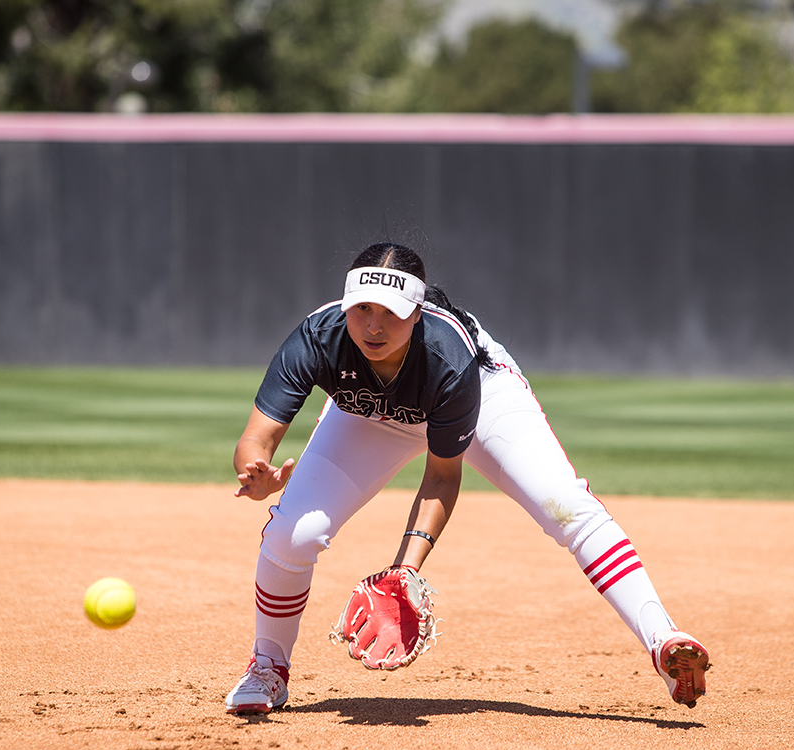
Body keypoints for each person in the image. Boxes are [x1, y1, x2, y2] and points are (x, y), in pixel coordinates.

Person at [225, 242, 709, 714]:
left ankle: (664, 640)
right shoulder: (319, 336)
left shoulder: (448, 357)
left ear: (417, 312)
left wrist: (403, 570)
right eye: (362, 309)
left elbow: (441, 477)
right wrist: (257, 473)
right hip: (370, 416)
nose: (373, 325)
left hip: (480, 395)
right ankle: (267, 667)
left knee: (565, 505)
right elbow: (255, 441)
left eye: (391, 312)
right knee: (294, 531)